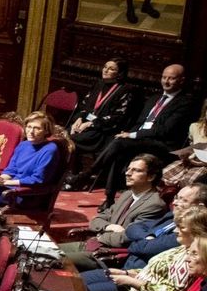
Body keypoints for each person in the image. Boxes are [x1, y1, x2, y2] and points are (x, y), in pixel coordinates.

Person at [83, 65, 194, 201]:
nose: (166, 81)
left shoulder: (186, 102)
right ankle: (109, 198)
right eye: (164, 77)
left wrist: (132, 135)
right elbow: (138, 123)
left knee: (120, 144)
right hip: (140, 141)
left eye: (171, 78)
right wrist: (129, 134)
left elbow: (165, 130)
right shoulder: (154, 98)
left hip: (163, 144)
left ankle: (89, 173)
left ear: (181, 80)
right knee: (119, 148)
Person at [0, 111, 59, 202]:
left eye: (37, 128)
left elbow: (37, 179)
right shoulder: (23, 145)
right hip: (10, 187)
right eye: (29, 127)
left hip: (25, 194)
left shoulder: (50, 149)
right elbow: (11, 170)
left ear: (46, 131)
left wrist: (6, 182)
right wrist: (1, 179)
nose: (31, 132)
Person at [71, 59, 135, 155]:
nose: (105, 70)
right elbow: (84, 105)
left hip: (101, 131)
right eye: (105, 67)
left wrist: (91, 124)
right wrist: (79, 119)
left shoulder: (125, 90)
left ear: (120, 73)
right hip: (83, 124)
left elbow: (118, 117)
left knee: (67, 141)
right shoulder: (98, 84)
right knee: (61, 136)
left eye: (111, 69)